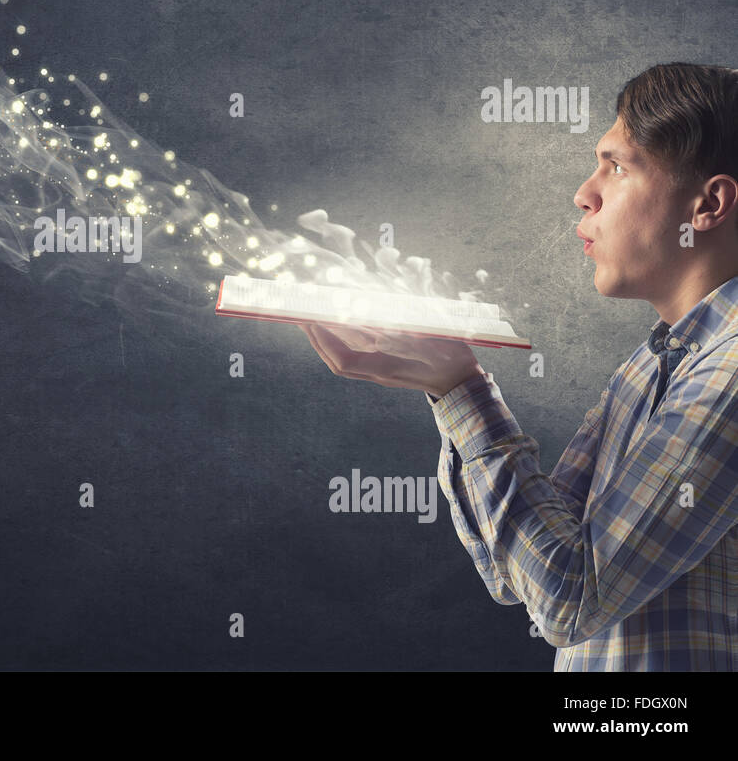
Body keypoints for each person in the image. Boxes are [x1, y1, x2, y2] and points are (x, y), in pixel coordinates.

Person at [301, 62, 738, 670]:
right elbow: (523, 576)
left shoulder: (732, 371)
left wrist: (460, 389)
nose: (585, 193)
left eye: (618, 166)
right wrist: (447, 385)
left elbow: (569, 600)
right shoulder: (651, 364)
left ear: (709, 203)